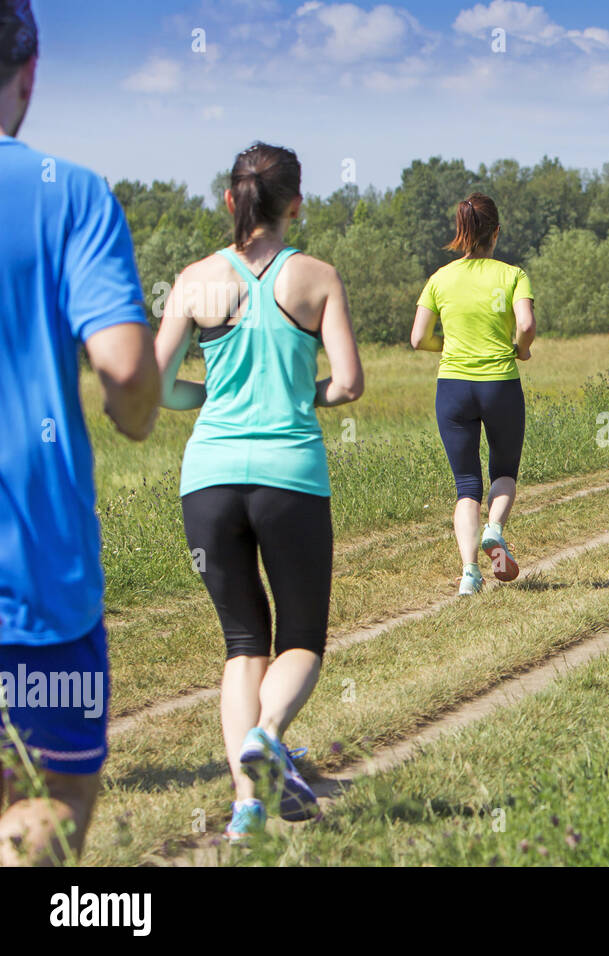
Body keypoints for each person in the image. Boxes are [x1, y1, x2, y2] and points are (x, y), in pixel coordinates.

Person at [154, 143, 364, 841]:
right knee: (300, 637)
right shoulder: (317, 277)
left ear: (228, 200)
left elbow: (156, 384)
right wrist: (306, 396)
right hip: (289, 476)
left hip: (207, 481)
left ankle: (246, 808)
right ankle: (269, 735)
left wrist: (207, 392)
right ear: (294, 203)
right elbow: (350, 382)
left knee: (244, 642)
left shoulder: (193, 280)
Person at [0, 0, 161, 865]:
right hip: (32, 579)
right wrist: (129, 417)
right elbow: (129, 372)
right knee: (44, 803)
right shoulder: (73, 195)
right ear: (29, 74)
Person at [411, 194, 536, 596]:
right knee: (504, 471)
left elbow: (417, 338)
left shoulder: (440, 279)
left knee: (467, 485)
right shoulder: (513, 275)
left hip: (453, 388)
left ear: (461, 231)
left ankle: (469, 574)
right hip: (500, 383)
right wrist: (521, 348)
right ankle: (495, 529)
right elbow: (527, 325)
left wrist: (447, 346)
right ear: (495, 232)